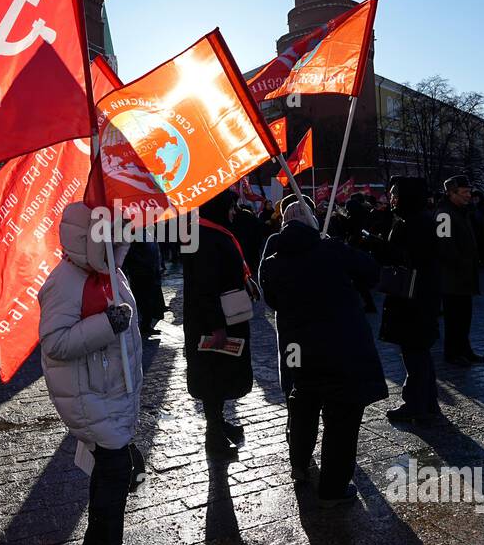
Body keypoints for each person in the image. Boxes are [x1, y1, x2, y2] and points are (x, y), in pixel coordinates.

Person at [37, 202, 149, 545]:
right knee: (115, 478)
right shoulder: (66, 281)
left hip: (110, 394)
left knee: (107, 472)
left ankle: (95, 544)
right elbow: (56, 343)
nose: (121, 240)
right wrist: (109, 324)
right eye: (112, 233)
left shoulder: (109, 272)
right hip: (90, 398)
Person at [260, 201, 387, 506]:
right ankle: (333, 489)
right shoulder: (331, 250)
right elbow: (370, 271)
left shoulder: (273, 262)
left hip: (300, 350)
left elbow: (272, 302)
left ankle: (299, 464)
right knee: (341, 418)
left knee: (303, 405)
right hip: (342, 349)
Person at [182, 189, 255, 456]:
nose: (234, 212)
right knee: (213, 376)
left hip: (220, 318)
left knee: (219, 375)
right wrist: (217, 327)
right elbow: (205, 286)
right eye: (231, 206)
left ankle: (219, 424)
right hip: (213, 323)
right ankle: (214, 436)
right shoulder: (205, 236)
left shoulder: (209, 232)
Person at [377, 177, 443, 422]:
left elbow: (406, 258)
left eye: (395, 194)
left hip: (412, 299)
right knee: (419, 351)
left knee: (414, 352)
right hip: (421, 297)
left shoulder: (413, 223)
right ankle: (427, 402)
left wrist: (377, 246)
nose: (391, 198)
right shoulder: (421, 219)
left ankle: (416, 405)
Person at [435, 175, 484, 366]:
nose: (468, 196)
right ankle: (453, 353)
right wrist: (461, 263)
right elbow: (443, 246)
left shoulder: (460, 211)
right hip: (452, 276)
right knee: (454, 317)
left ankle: (464, 349)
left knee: (464, 316)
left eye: (469, 192)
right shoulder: (444, 214)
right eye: (464, 192)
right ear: (451, 193)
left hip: (463, 274)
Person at [122, 239, 165, 340]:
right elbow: (131, 256)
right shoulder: (135, 239)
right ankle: (144, 326)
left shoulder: (147, 237)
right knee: (143, 301)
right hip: (140, 274)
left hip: (148, 272)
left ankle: (146, 325)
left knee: (148, 300)